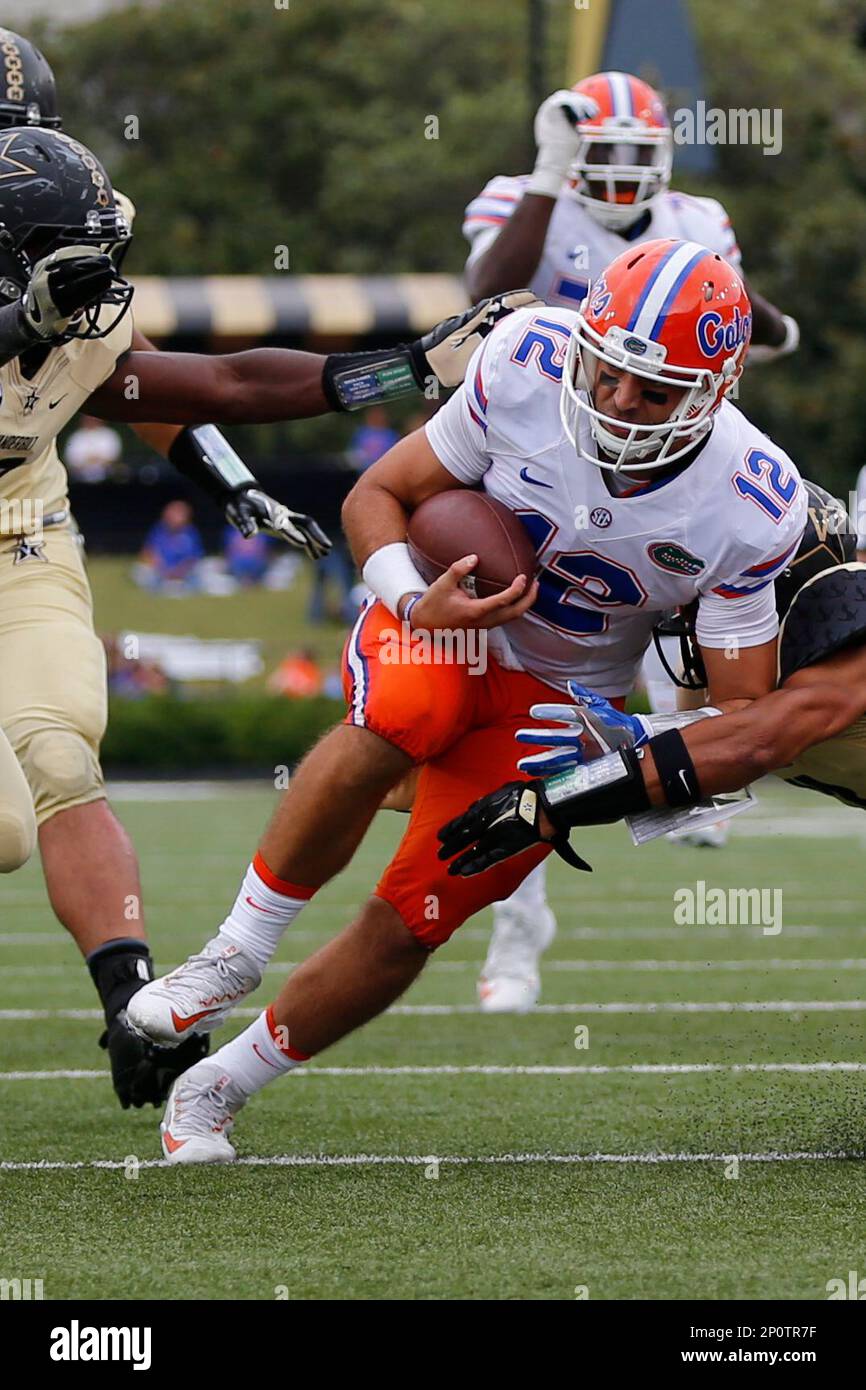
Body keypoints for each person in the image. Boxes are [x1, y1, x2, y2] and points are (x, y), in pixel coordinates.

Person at [125, 237, 808, 1163]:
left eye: (652, 391)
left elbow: (743, 717)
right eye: (605, 370)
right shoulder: (525, 358)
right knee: (407, 713)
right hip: (445, 619)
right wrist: (415, 596)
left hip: (568, 699)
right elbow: (380, 493)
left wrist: (625, 735)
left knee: (419, 915)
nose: (615, 401)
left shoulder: (751, 501)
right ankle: (234, 953)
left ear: (715, 392)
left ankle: (219, 1086)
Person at [0, 94, 532, 1108]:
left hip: (19, 530)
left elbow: (220, 382)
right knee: (4, 830)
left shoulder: (70, 311)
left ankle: (131, 1000)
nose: (96, 280)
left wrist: (409, 365)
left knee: (63, 755)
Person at [463, 69, 802, 1007]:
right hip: (542, 462)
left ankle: (691, 761)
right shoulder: (526, 206)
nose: (615, 175)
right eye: (595, 156)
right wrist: (546, 174)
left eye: (631, 157)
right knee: (520, 728)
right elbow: (487, 288)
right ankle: (516, 939)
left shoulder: (698, 222)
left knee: (704, 615)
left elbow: (748, 316)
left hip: (672, 473)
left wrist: (773, 327)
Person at [436, 486, 866, 872]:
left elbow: (751, 743)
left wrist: (552, 803)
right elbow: (709, 759)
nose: (701, 620)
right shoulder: (763, 682)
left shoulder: (843, 656)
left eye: (729, 597)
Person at [63, 414, 122, 484]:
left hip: (107, 477)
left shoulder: (109, 434)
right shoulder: (76, 437)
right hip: (80, 478)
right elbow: (71, 460)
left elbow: (114, 457)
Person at [347, 406, 401, 473]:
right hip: (362, 473)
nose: (376, 417)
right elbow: (353, 454)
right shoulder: (361, 433)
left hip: (385, 471)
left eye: (379, 415)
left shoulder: (391, 435)